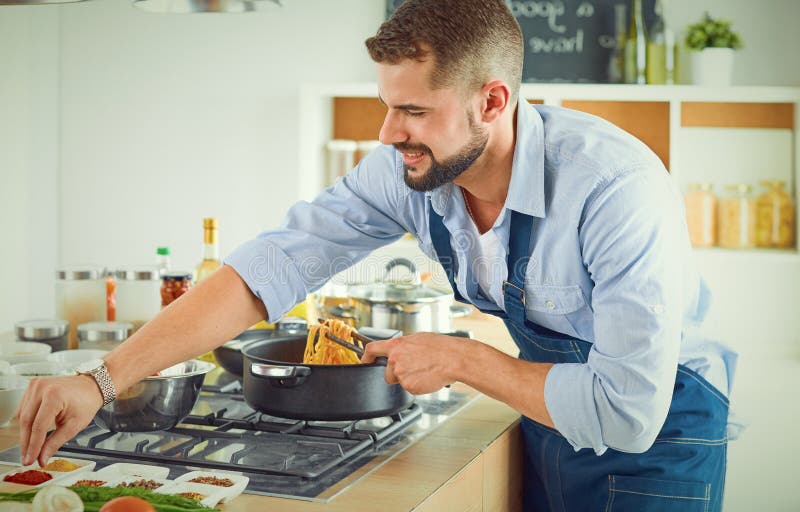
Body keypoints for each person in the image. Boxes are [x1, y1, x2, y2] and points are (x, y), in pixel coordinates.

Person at [17, 0, 737, 510]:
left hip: (659, 436)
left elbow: (628, 411)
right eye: (388, 105)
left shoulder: (615, 189)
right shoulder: (411, 169)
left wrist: (459, 358)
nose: (390, 132)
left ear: (492, 101)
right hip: (546, 414)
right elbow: (269, 268)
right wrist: (102, 380)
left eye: (416, 111)